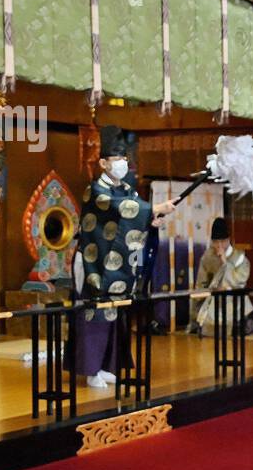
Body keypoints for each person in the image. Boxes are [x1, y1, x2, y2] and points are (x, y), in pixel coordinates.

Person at [72, 127, 176, 389]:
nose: (122, 164)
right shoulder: (95, 190)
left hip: (119, 265)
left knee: (115, 314)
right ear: (103, 163)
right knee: (94, 314)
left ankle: (108, 364)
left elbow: (135, 216)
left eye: (125, 159)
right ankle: (90, 369)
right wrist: (153, 208)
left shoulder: (129, 188)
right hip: (94, 262)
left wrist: (152, 221)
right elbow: (119, 209)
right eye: (116, 159)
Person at [189, 217, 253, 336]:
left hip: (235, 299)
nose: (219, 245)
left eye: (222, 241)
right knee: (205, 323)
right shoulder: (207, 257)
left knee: (241, 325)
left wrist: (224, 263)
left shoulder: (239, 258)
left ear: (229, 240)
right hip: (215, 299)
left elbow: (239, 281)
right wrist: (198, 302)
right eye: (216, 242)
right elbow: (201, 283)